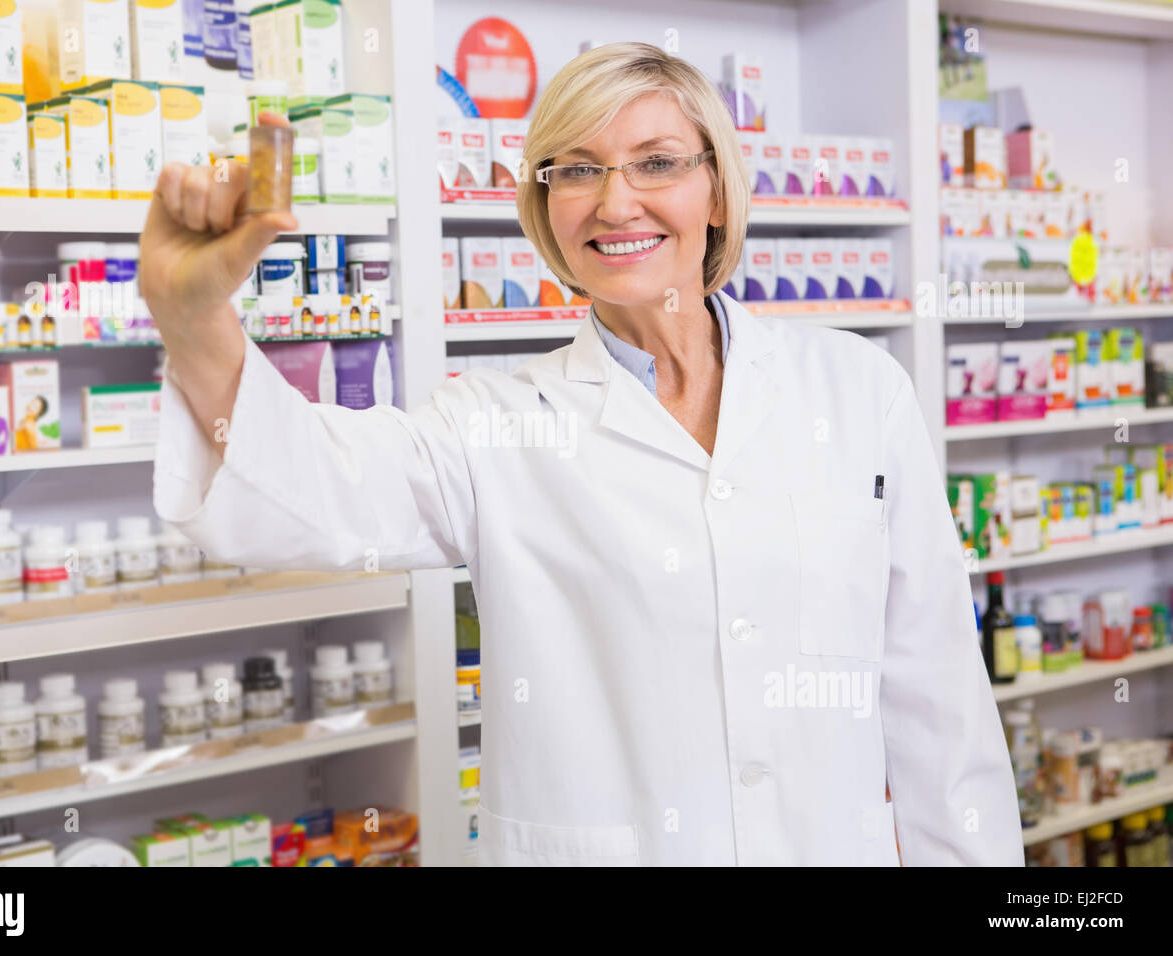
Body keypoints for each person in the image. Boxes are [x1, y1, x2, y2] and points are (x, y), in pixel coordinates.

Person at [141, 42, 1022, 866]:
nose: (615, 200)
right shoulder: (496, 421)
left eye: (658, 161)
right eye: (577, 169)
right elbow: (309, 491)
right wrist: (194, 322)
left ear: (716, 189)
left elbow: (938, 702)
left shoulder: (859, 391)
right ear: (544, 206)